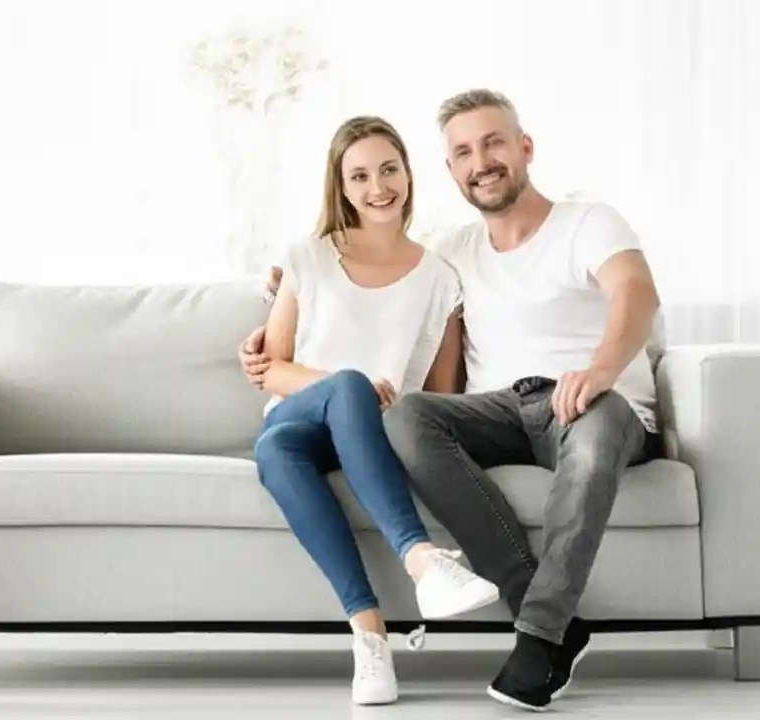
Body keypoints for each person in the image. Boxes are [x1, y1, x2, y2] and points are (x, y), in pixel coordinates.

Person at [241, 91, 663, 712]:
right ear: (448, 170)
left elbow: (636, 292)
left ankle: (540, 636)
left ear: (525, 147)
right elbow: (363, 265)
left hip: (594, 403)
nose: (480, 162)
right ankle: (517, 605)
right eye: (463, 152)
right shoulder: (455, 252)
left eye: (493, 143)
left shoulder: (589, 222)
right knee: (408, 415)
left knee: (593, 439)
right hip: (501, 410)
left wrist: (601, 373)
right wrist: (280, 285)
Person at [248, 115, 502, 706]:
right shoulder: (307, 257)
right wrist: (350, 385)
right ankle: (422, 563)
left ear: (408, 175)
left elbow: (442, 394)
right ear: (341, 187)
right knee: (327, 403)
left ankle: (370, 641)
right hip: (302, 416)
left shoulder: (439, 278)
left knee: (278, 450)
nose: (378, 187)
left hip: (371, 434)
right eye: (359, 176)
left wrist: (383, 403)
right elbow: (272, 369)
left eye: (389, 170)